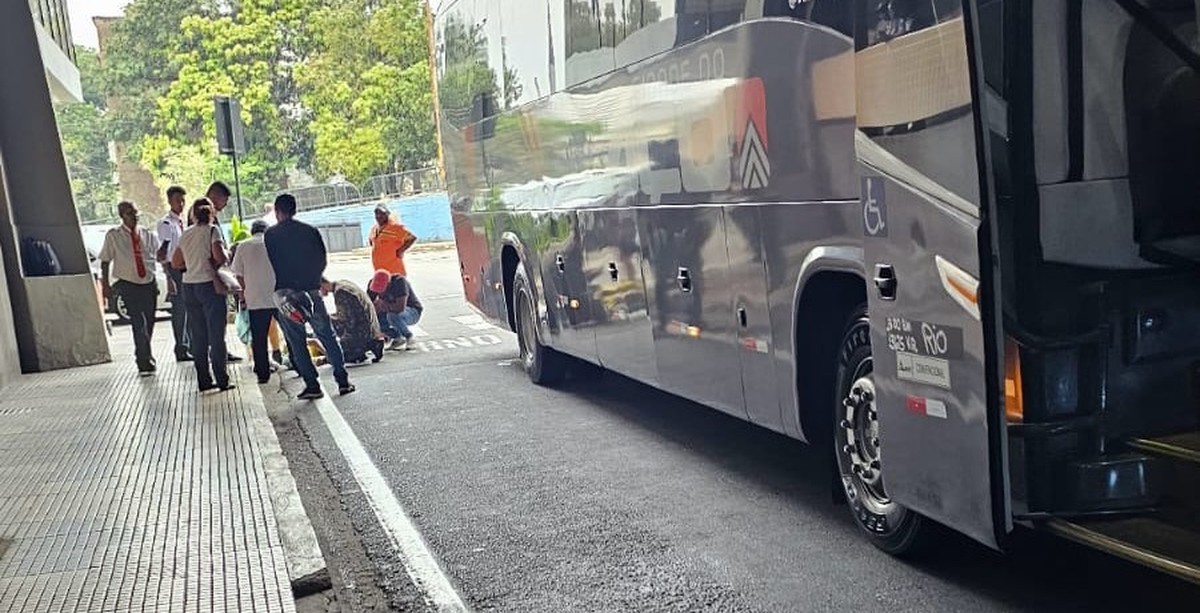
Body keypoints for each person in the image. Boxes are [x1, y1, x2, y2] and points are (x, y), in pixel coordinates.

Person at [265, 193, 355, 399]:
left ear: (277, 212)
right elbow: (322, 260)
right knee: (327, 336)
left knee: (297, 341)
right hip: (311, 291)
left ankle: (312, 385)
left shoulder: (271, 235)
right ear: (295, 210)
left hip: (286, 295)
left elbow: (273, 262)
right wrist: (313, 280)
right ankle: (342, 381)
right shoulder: (310, 231)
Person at [172, 200, 235, 392]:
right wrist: (225, 256)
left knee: (198, 336)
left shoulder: (185, 234)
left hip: (189, 286)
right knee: (216, 335)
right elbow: (220, 257)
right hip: (209, 285)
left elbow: (176, 262)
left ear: (193, 216)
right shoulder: (212, 230)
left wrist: (192, 264)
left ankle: (204, 380)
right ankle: (222, 379)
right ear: (211, 215)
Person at [99, 201, 160, 375]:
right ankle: (143, 359)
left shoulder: (147, 234)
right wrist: (106, 285)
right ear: (122, 216)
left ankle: (144, 351)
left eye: (135, 213)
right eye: (129, 213)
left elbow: (157, 255)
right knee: (138, 322)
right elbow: (105, 261)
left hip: (148, 282)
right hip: (128, 284)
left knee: (149, 321)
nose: (134, 217)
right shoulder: (114, 236)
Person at [231, 220, 278, 384]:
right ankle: (298, 365)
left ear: (252, 232)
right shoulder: (274, 242)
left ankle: (263, 374)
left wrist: (244, 293)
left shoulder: (243, 246)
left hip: (255, 299)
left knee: (259, 338)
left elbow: (238, 274)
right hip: (277, 296)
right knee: (290, 333)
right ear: (266, 230)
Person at [157, 185, 191, 362]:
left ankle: (189, 345)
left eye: (183, 200)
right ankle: (181, 347)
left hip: (186, 268)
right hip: (174, 269)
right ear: (170, 201)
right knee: (179, 310)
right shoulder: (166, 224)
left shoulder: (182, 222)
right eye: (177, 200)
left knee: (188, 309)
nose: (181, 204)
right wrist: (168, 277)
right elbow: (163, 253)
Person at [322, 277, 385, 364]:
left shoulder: (341, 293)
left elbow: (349, 322)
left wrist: (327, 319)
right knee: (330, 319)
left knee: (334, 356)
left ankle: (367, 345)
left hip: (363, 331)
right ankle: (364, 348)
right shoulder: (343, 283)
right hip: (370, 326)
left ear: (321, 286)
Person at [367, 269, 423, 351]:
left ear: (388, 284)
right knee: (374, 319)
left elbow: (400, 308)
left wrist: (382, 305)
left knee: (392, 315)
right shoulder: (373, 285)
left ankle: (409, 336)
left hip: (412, 311)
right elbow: (369, 306)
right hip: (389, 310)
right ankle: (397, 337)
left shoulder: (399, 282)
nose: (380, 293)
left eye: (382, 290)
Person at [368, 205, 416, 276]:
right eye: (377, 214)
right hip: (380, 272)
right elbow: (371, 241)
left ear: (387, 214)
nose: (379, 216)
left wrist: (401, 250)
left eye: (382, 213)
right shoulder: (374, 229)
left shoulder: (395, 227)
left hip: (395, 271)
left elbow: (412, 238)